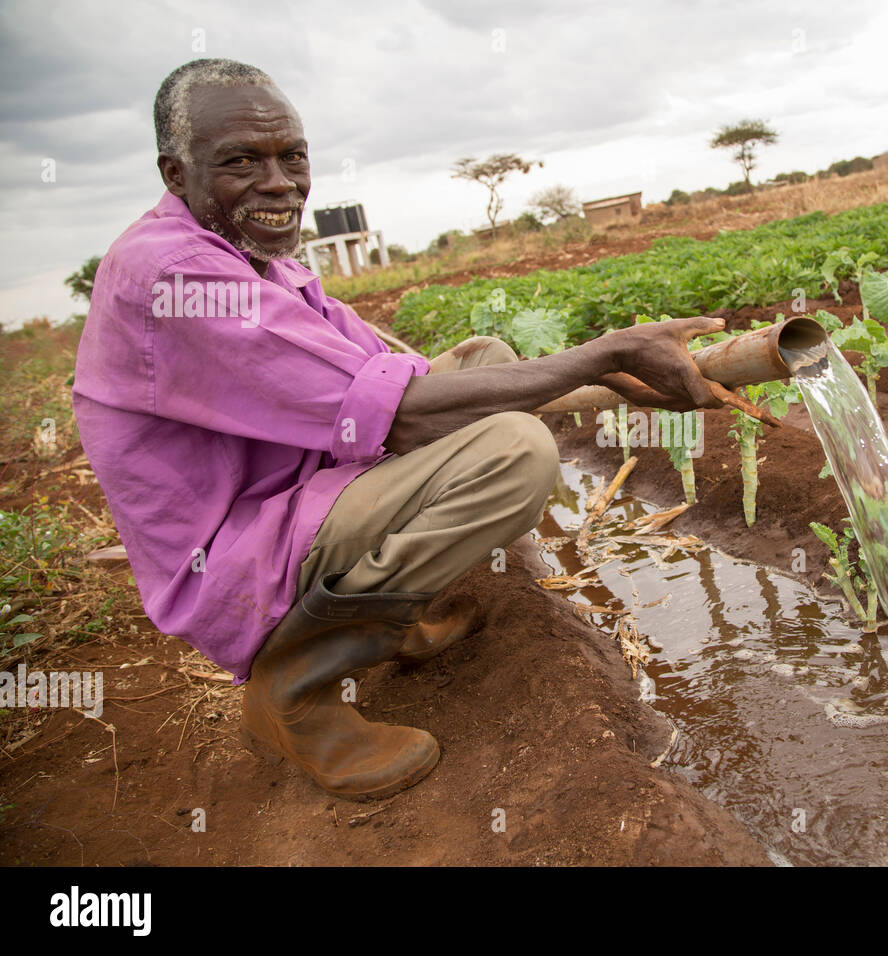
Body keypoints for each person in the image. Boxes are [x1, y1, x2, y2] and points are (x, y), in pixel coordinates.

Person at [73, 58, 740, 801]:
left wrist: (599, 379)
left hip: (306, 493)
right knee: (514, 455)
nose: (279, 182)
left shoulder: (255, 255)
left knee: (485, 363)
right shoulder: (172, 278)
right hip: (238, 552)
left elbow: (402, 377)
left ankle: (390, 620)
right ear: (176, 173)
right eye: (241, 161)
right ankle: (292, 687)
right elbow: (402, 410)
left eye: (291, 156)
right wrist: (605, 353)